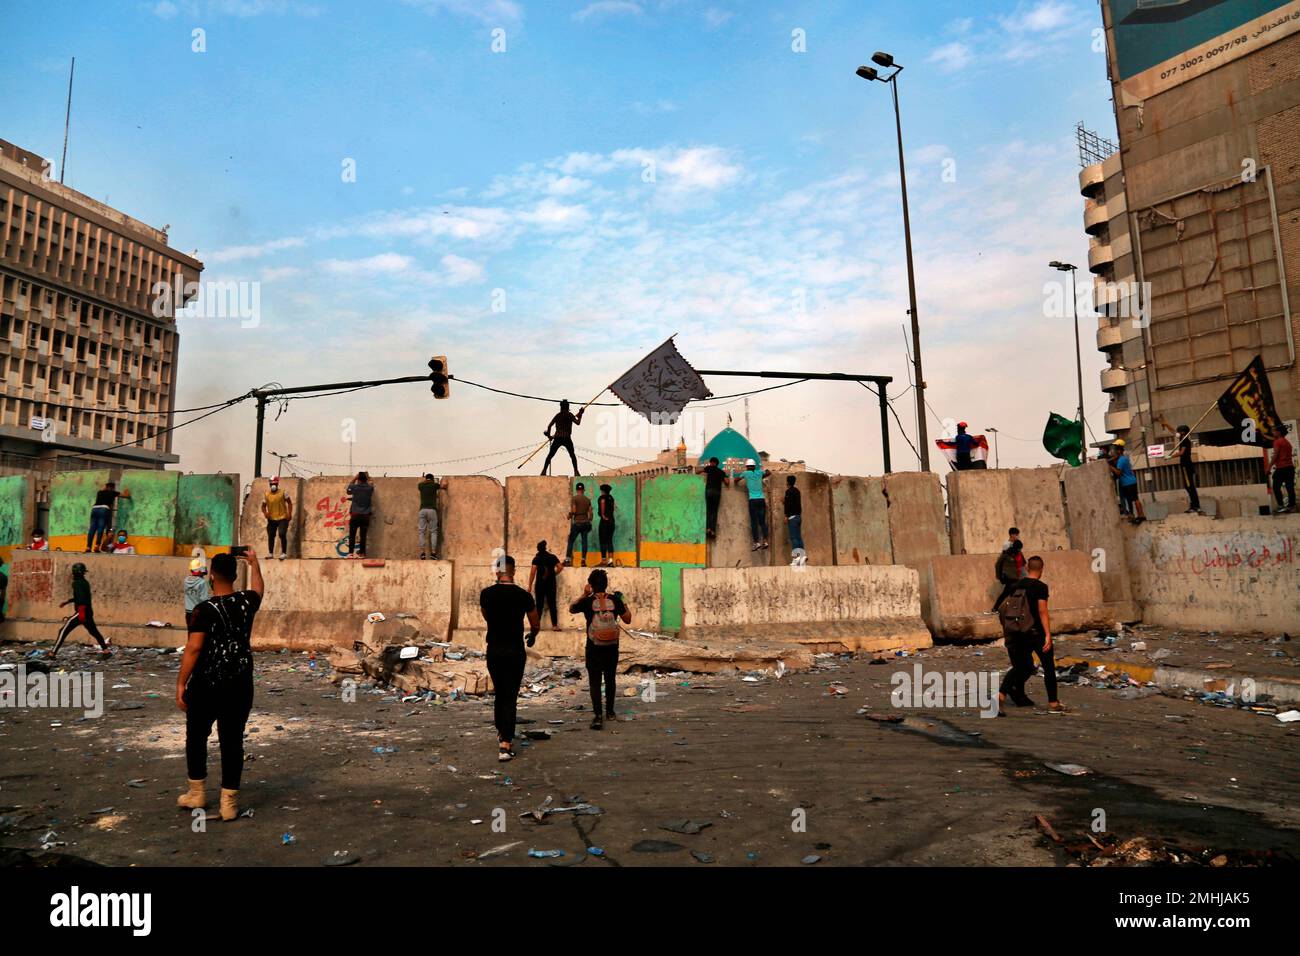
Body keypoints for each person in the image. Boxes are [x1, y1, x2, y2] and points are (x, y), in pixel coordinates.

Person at [175, 549, 265, 821]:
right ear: (236, 576)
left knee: (196, 736)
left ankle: (197, 793)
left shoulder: (204, 610)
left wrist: (181, 684)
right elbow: (259, 589)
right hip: (239, 683)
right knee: (232, 741)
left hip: (206, 684)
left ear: (211, 576)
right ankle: (229, 803)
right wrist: (255, 563)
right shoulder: (247, 602)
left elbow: (193, 648)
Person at [478, 556, 540, 762]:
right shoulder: (524, 596)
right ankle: (505, 743)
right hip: (515, 651)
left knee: (500, 692)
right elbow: (535, 622)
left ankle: (500, 731)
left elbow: (487, 616)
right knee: (510, 695)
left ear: (497, 571)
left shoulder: (486, 594)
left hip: (494, 649)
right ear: (514, 572)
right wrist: (532, 636)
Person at [996, 555, 1064, 713]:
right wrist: (1048, 634)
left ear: (1027, 568)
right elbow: (1042, 611)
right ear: (1041, 570)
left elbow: (1004, 608)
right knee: (1048, 667)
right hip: (1036, 632)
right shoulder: (1040, 587)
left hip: (1018, 632)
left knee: (1020, 667)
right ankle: (1053, 703)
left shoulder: (1015, 586)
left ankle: (1000, 695)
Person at [569, 569, 632, 730]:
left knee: (595, 681)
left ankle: (598, 716)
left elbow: (572, 608)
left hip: (593, 646)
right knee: (610, 678)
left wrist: (584, 594)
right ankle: (610, 711)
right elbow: (628, 619)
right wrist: (622, 600)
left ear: (591, 585)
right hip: (612, 646)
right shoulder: (615, 600)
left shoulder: (588, 601)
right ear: (606, 584)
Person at [52, 562, 111, 657]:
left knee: (63, 631)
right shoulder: (84, 582)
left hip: (81, 611)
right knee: (94, 632)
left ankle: (53, 652)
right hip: (88, 612)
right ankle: (105, 650)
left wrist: (81, 614)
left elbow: (81, 600)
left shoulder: (77, 583)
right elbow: (80, 597)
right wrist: (67, 602)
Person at [541, 400, 583, 476]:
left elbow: (549, 426)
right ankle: (576, 471)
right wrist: (581, 415)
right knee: (572, 456)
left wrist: (549, 436)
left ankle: (544, 471)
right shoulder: (570, 415)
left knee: (550, 455)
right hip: (567, 438)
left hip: (557, 438)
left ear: (561, 407)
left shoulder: (558, 415)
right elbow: (578, 423)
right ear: (568, 407)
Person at [1107, 440, 1145, 523]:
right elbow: (1114, 459)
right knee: (1134, 499)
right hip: (1130, 481)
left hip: (1128, 483)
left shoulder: (1121, 460)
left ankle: (1141, 516)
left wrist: (1110, 467)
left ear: (1119, 451)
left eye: (1116, 450)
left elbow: (1118, 472)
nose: (1114, 451)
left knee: (1135, 499)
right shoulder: (1123, 458)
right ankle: (1139, 515)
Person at [528, 540, 563, 630]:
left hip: (540, 584)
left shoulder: (536, 559)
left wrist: (530, 585)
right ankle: (555, 626)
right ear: (545, 548)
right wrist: (554, 574)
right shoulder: (552, 557)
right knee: (552, 604)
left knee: (539, 605)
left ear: (538, 549)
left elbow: (532, 572)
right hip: (551, 583)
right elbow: (560, 567)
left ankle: (537, 626)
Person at [86, 480, 129, 552]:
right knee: (100, 528)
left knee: (92, 529)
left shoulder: (99, 492)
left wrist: (105, 487)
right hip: (104, 509)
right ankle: (97, 545)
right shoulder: (113, 492)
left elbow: (103, 489)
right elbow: (126, 496)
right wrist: (127, 490)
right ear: (113, 488)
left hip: (94, 509)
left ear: (106, 487)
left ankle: (88, 547)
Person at [737, 458, 770, 551]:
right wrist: (759, 478)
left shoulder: (745, 473)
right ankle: (766, 541)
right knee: (762, 522)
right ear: (754, 466)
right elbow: (769, 472)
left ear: (747, 467)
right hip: (761, 500)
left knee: (754, 522)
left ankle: (756, 542)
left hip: (753, 500)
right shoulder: (760, 472)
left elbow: (736, 480)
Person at [695, 456, 730, 539]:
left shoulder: (709, 468)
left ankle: (708, 529)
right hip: (717, 493)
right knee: (714, 512)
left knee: (709, 511)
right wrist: (725, 477)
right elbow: (727, 482)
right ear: (717, 464)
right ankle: (713, 531)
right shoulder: (721, 472)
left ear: (711, 462)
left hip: (709, 492)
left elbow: (698, 472)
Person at [260, 476, 293, 560]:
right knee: (271, 535)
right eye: (271, 484)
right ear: (269, 484)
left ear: (277, 484)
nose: (273, 485)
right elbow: (263, 506)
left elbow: (289, 503)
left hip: (283, 518)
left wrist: (289, 513)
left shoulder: (283, 492)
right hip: (271, 519)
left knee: (282, 534)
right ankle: (270, 553)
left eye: (274, 483)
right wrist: (265, 513)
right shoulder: (267, 494)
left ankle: (284, 553)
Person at [343, 471, 374, 558]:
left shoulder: (354, 487)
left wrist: (355, 478)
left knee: (352, 535)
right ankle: (362, 553)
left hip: (355, 515)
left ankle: (350, 553)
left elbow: (348, 491)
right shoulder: (369, 488)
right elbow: (371, 484)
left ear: (358, 480)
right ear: (365, 480)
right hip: (365, 516)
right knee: (363, 536)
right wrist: (368, 477)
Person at [991, 538, 1024, 612]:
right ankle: (997, 608)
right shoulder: (1006, 554)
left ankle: (998, 608)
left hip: (1015, 578)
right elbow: (998, 565)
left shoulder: (1018, 555)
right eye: (1019, 548)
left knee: (1009, 593)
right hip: (1009, 578)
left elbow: (1023, 565)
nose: (1019, 550)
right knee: (1009, 593)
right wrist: (999, 576)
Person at [1269, 425, 1295, 515]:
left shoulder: (1277, 442)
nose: (1273, 433)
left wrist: (1269, 467)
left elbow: (1275, 455)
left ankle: (1281, 505)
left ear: (1279, 432)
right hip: (1290, 468)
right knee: (1289, 487)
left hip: (1282, 467)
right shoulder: (1287, 443)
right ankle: (1291, 506)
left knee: (1276, 487)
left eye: (1274, 431)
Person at [417, 473, 444, 559]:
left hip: (422, 510)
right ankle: (433, 553)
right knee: (433, 532)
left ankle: (422, 553)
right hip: (432, 510)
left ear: (426, 479)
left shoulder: (420, 485)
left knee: (421, 532)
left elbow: (421, 484)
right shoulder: (434, 485)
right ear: (432, 479)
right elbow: (443, 486)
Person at [567, 482, 594, 568]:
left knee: (571, 541)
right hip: (585, 523)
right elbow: (591, 514)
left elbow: (574, 510)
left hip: (577, 522)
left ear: (576, 490)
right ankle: (583, 560)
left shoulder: (574, 498)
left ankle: (568, 560)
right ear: (583, 490)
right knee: (584, 541)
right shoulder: (587, 500)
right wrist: (588, 520)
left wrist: (569, 515)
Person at [183, 558, 211, 630]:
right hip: (198, 613)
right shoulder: (202, 582)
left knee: (190, 634)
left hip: (188, 613)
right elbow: (203, 600)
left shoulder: (186, 581)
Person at [783, 475, 804, 556]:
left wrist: (786, 516)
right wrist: (785, 501)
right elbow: (794, 503)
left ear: (787, 482)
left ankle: (796, 558)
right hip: (798, 516)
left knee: (793, 538)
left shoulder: (788, 491)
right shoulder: (797, 491)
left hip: (792, 517)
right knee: (799, 537)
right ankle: (802, 556)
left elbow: (788, 505)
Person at [596, 483, 616, 567]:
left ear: (602, 491)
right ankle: (610, 560)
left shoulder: (602, 498)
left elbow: (602, 503)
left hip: (605, 522)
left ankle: (604, 560)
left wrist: (603, 515)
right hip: (612, 521)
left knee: (603, 541)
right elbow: (614, 507)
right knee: (609, 540)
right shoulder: (611, 498)